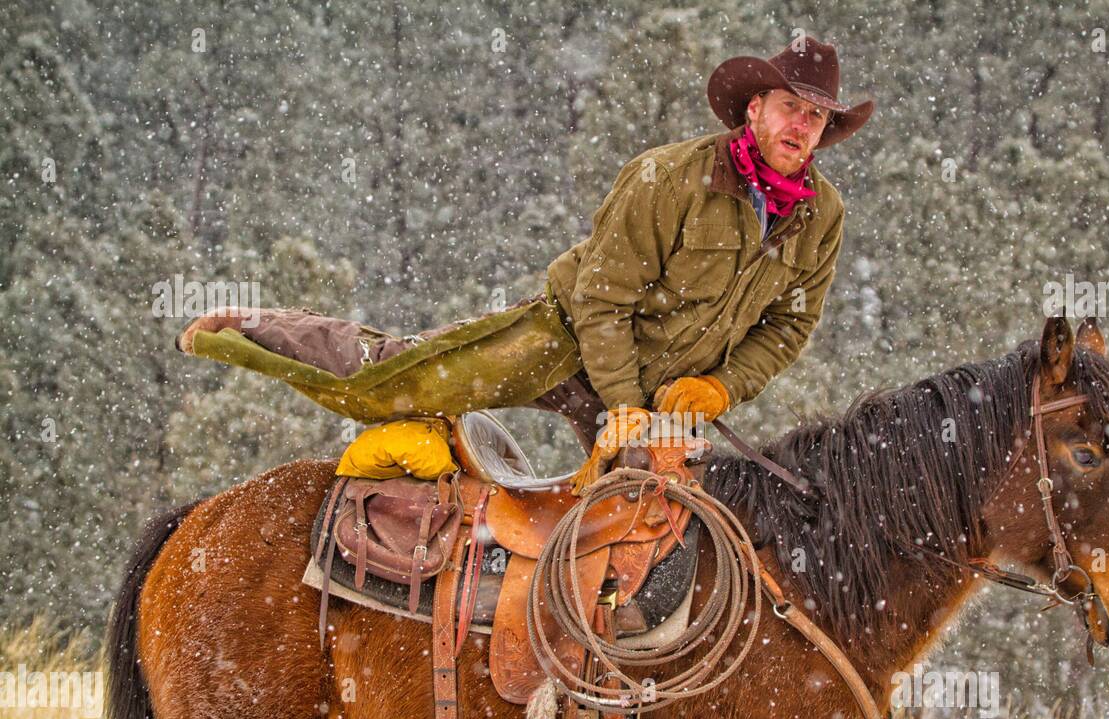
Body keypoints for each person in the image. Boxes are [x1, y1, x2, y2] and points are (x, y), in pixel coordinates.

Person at [179, 36, 873, 494]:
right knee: (395, 381)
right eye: (789, 108)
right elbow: (602, 300)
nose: (799, 127)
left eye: (815, 118)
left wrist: (720, 388)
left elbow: (789, 327)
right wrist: (624, 403)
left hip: (663, 399)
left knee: (653, 544)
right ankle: (258, 324)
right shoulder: (669, 179)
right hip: (570, 340)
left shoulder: (823, 217)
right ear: (755, 109)